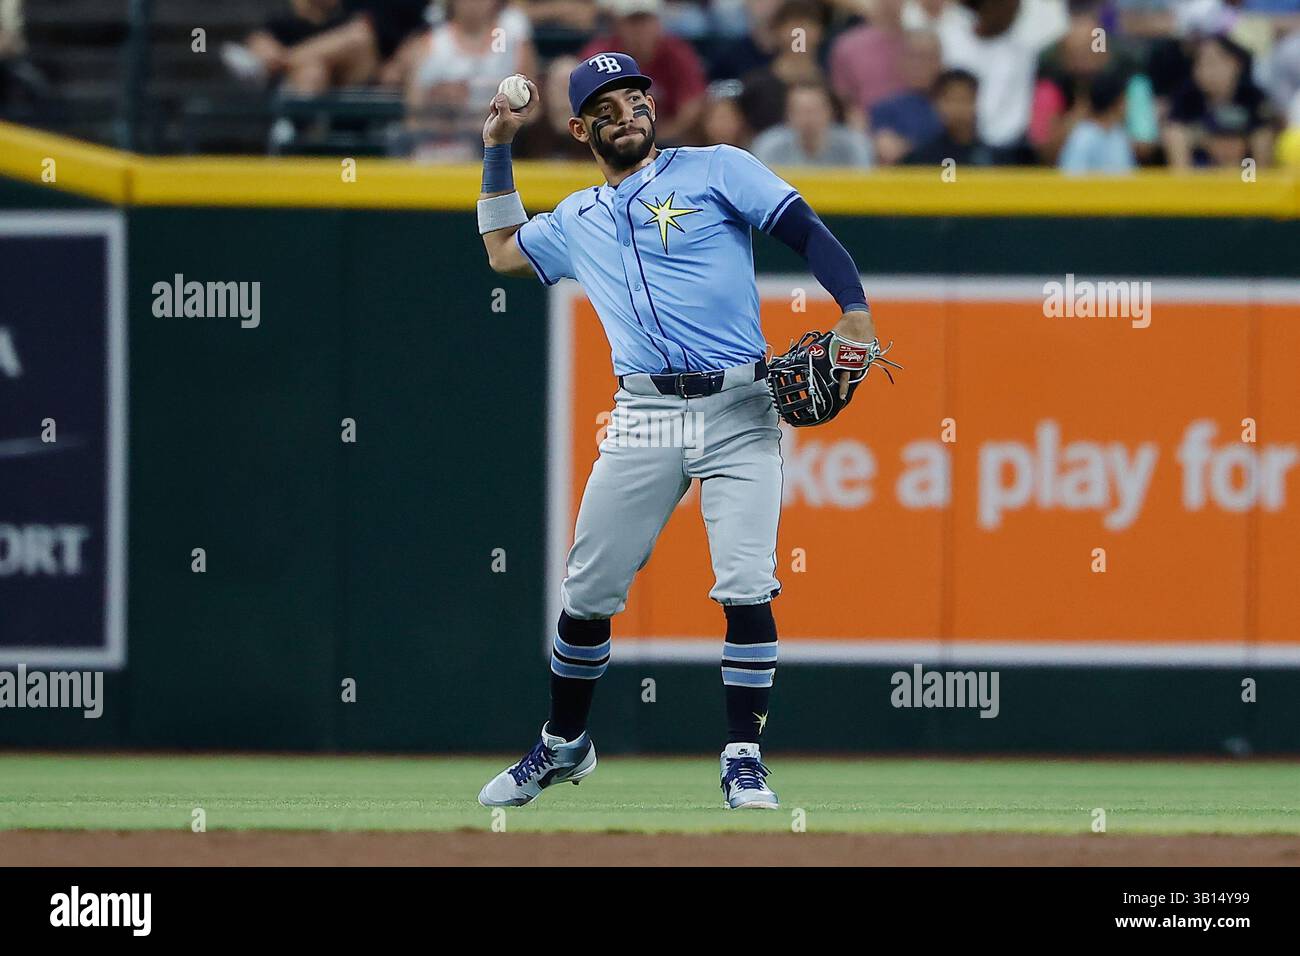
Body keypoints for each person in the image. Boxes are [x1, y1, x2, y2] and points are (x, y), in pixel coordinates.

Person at [474, 53, 892, 810]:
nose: (626, 111)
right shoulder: (575, 218)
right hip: (643, 415)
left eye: (636, 97)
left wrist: (854, 308)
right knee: (589, 591)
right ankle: (565, 746)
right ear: (579, 128)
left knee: (745, 581)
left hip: (742, 408)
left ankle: (743, 756)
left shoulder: (717, 168)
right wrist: (497, 147)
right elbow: (503, 250)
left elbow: (806, 232)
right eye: (606, 105)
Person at [399, 0, 537, 160]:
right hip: (441, 141)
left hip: (500, 140)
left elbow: (532, 107)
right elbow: (413, 115)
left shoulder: (511, 35)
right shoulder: (432, 41)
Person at [937, 0, 1069, 149]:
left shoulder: (1024, 50)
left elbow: (1059, 29)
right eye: (1006, 6)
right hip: (957, 143)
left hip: (1012, 147)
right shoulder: (952, 39)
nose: (1014, 13)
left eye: (1016, 7)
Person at [580, 0, 709, 143]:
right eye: (632, 23)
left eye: (645, 21)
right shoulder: (602, 55)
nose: (639, 30)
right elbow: (588, 103)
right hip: (614, 136)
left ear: (658, 24)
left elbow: (692, 104)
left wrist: (654, 136)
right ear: (618, 25)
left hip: (671, 136)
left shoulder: (677, 52)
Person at [752, 79, 875, 164]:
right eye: (800, 111)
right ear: (787, 114)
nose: (808, 119)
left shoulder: (853, 146)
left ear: (830, 112)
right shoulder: (769, 146)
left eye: (814, 110)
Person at [903, 66, 1010, 163]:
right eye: (951, 100)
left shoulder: (995, 158)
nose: (958, 108)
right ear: (936, 104)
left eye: (964, 99)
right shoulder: (920, 159)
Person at [870, 28, 945, 163]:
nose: (920, 64)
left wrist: (907, 145)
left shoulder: (955, 102)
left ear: (940, 62)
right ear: (901, 62)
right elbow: (888, 152)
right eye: (914, 56)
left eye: (929, 57)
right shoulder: (885, 107)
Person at [1057, 68, 1137, 171]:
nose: (1129, 105)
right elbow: (1071, 177)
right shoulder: (1083, 137)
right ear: (1117, 101)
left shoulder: (1120, 135)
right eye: (1125, 99)